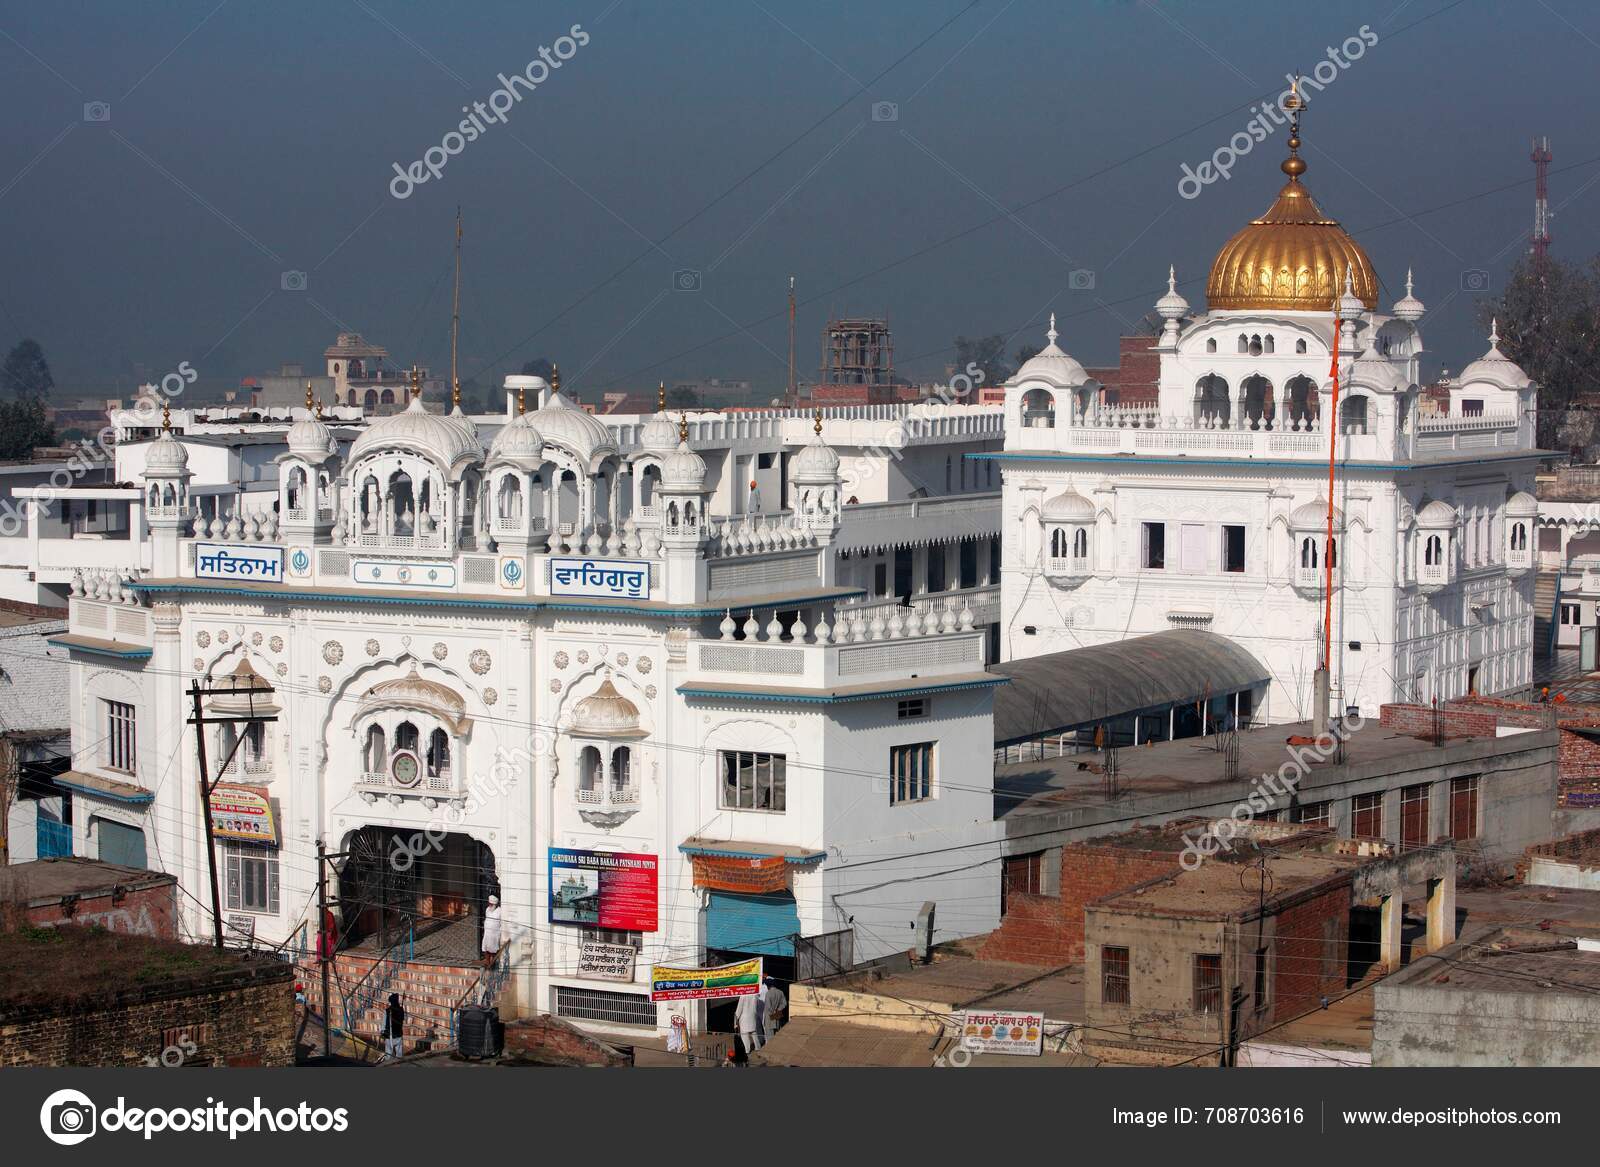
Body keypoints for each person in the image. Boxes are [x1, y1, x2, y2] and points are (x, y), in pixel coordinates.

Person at [733, 987, 764, 1056]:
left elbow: (739, 1009)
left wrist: (736, 1017)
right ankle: (758, 1047)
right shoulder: (754, 995)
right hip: (752, 1016)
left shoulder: (743, 996)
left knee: (744, 1035)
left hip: (744, 1018)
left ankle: (747, 1049)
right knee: (754, 1032)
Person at [380, 993, 405, 1060]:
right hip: (399, 1034)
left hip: (389, 1036)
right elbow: (403, 1019)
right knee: (399, 1055)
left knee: (388, 1054)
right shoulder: (401, 1010)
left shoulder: (387, 1011)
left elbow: (383, 1024)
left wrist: (382, 1032)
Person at [481, 894, 502, 968]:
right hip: (487, 933)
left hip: (495, 934)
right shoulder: (487, 909)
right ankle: (487, 962)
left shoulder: (500, 911)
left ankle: (492, 963)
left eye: (491, 904)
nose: (489, 905)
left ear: (495, 904)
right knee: (486, 948)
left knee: (493, 949)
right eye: (489, 904)